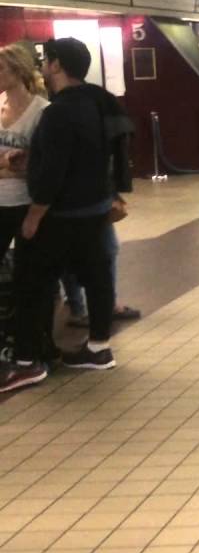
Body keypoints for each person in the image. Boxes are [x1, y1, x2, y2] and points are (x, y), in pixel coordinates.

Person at [10, 38, 132, 382]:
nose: (43, 65)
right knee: (97, 277)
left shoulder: (58, 111)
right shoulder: (97, 100)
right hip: (94, 207)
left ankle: (27, 361)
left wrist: (34, 216)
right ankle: (98, 348)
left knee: (31, 280)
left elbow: (55, 171)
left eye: (46, 60)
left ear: (57, 65)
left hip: (63, 214)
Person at [0, 44, 49, 253]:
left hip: (26, 202)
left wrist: (11, 168)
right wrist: (8, 167)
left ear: (18, 71)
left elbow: (41, 166)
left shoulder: (42, 111)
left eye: (0, 68)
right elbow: (18, 165)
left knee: (29, 273)